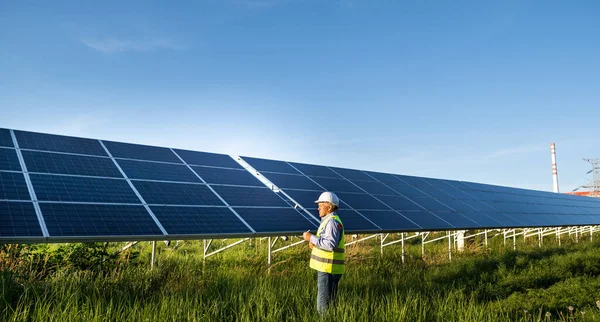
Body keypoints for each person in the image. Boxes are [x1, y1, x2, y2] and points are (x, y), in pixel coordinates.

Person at [302, 191, 345, 315]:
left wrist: (311, 238)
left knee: (323, 306)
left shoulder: (331, 222)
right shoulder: (330, 220)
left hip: (328, 269)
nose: (318, 208)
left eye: (321, 205)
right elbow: (326, 242)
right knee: (330, 303)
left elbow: (330, 245)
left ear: (329, 206)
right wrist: (315, 243)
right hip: (330, 268)